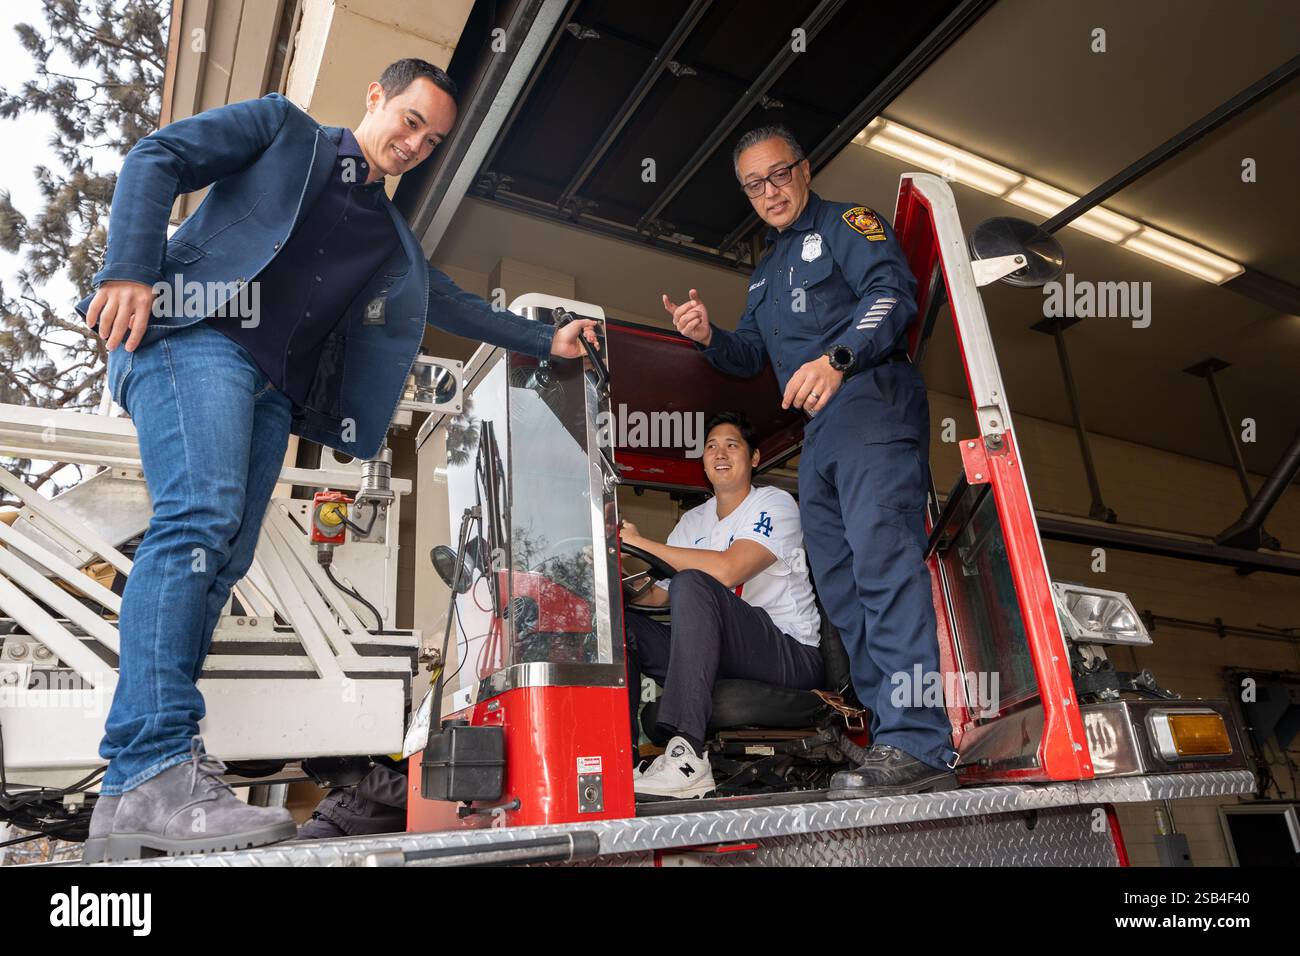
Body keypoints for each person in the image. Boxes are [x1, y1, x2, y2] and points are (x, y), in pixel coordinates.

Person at [77, 58, 599, 862]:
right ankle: (151, 763)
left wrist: (545, 337)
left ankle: (132, 797)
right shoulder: (281, 129)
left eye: (433, 140)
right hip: (194, 339)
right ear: (374, 95)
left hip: (271, 393)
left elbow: (449, 303)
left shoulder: (388, 237)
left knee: (221, 561)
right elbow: (159, 156)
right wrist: (130, 269)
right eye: (411, 121)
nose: (416, 143)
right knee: (198, 522)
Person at [660, 124, 958, 797]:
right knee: (844, 590)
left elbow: (893, 293)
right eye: (754, 184)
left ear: (804, 167)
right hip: (819, 433)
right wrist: (710, 337)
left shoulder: (849, 223)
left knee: (883, 567)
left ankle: (920, 739)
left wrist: (838, 358)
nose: (770, 191)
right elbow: (751, 359)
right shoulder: (766, 272)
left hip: (870, 400)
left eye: (779, 173)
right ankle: (891, 739)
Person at [619, 411, 822, 799]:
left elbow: (729, 571)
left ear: (755, 458)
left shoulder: (776, 504)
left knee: (694, 580)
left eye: (732, 445)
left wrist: (644, 543)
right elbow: (658, 595)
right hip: (725, 653)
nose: (720, 453)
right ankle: (620, 759)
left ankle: (688, 758)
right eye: (711, 446)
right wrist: (619, 571)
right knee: (624, 624)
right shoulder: (693, 521)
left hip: (788, 651)